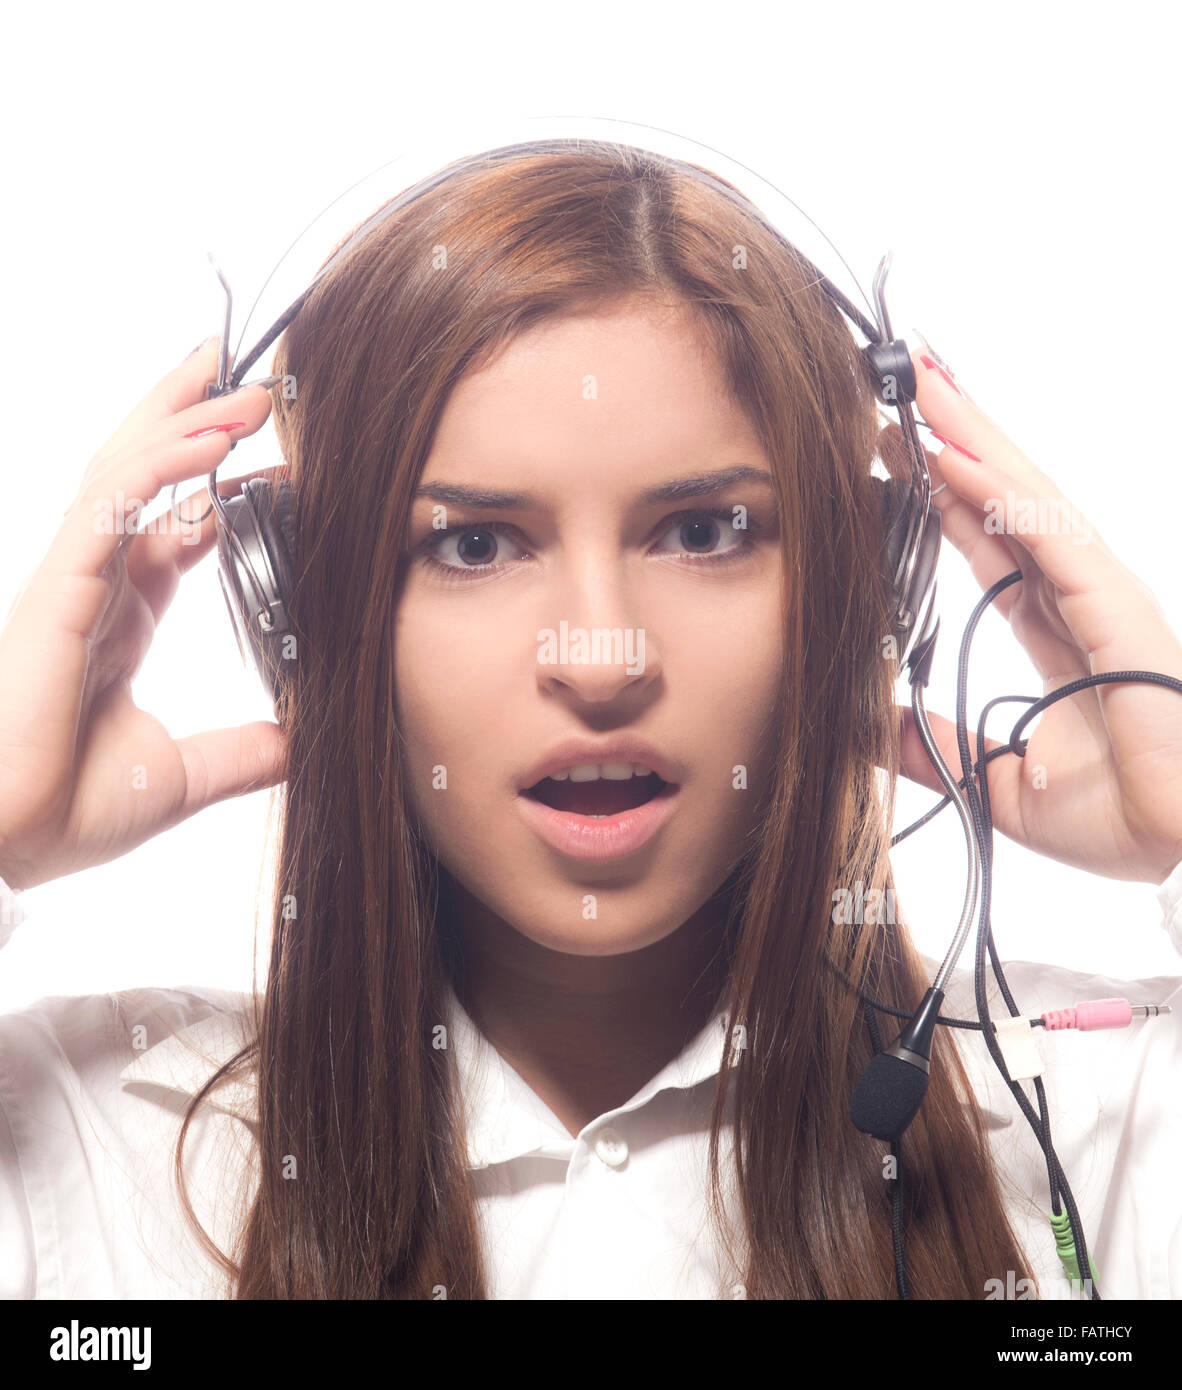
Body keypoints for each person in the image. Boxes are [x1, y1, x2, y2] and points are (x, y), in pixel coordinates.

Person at [0, 142, 1179, 1300]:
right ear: (300, 609)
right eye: (473, 543)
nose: (602, 658)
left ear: (867, 591)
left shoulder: (1086, 1121)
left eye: (707, 530)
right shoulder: (86, 1151)